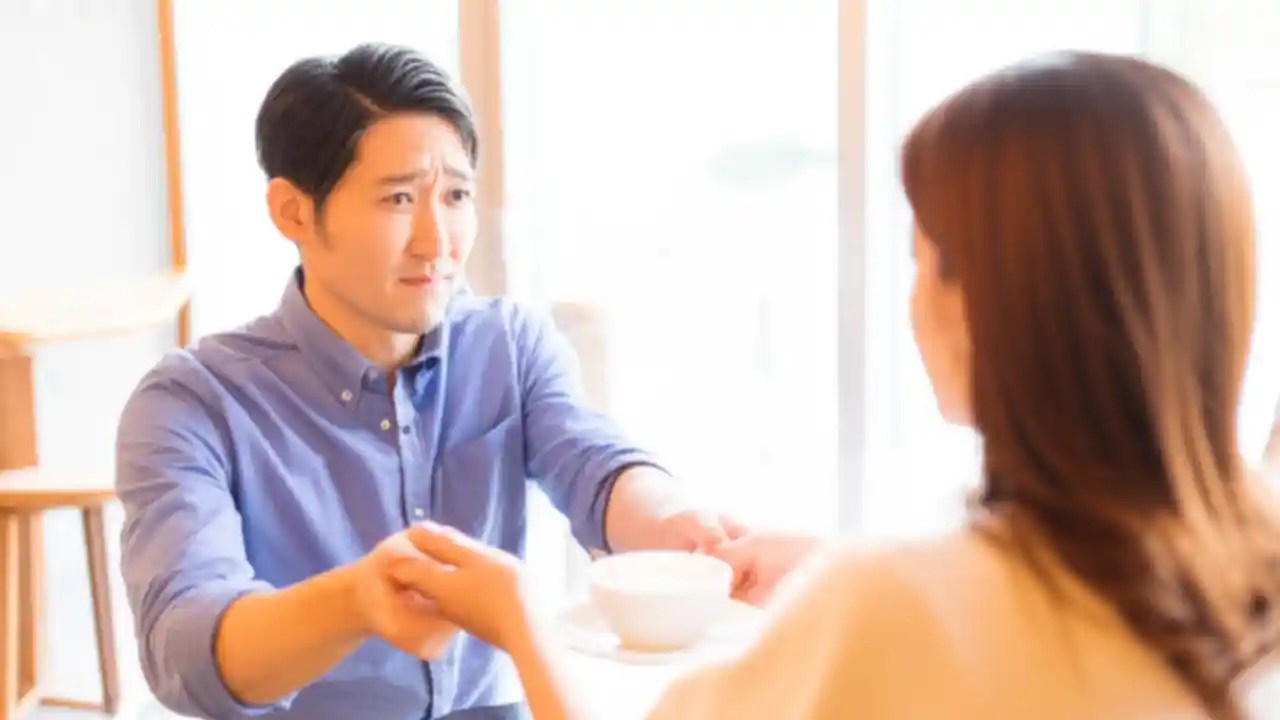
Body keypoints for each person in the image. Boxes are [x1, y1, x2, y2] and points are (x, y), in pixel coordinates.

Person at [389, 52, 1280, 719]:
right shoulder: (1245, 562)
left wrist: (516, 621)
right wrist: (838, 567)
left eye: (923, 262)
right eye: (400, 198)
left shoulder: (894, 610)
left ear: (993, 302)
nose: (435, 236)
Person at [115, 43, 805, 720]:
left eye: (455, 195)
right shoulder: (191, 403)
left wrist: (681, 530)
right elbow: (185, 648)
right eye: (398, 199)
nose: (437, 240)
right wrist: (356, 602)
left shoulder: (508, 343)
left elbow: (594, 461)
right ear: (294, 211)